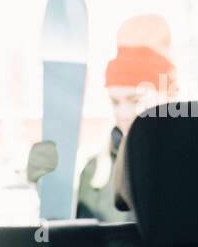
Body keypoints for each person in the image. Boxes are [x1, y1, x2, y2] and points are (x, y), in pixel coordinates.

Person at [76, 13, 179, 221]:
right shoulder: (97, 174)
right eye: (115, 101)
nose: (123, 113)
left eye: (135, 99)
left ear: (168, 96)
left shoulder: (196, 164)